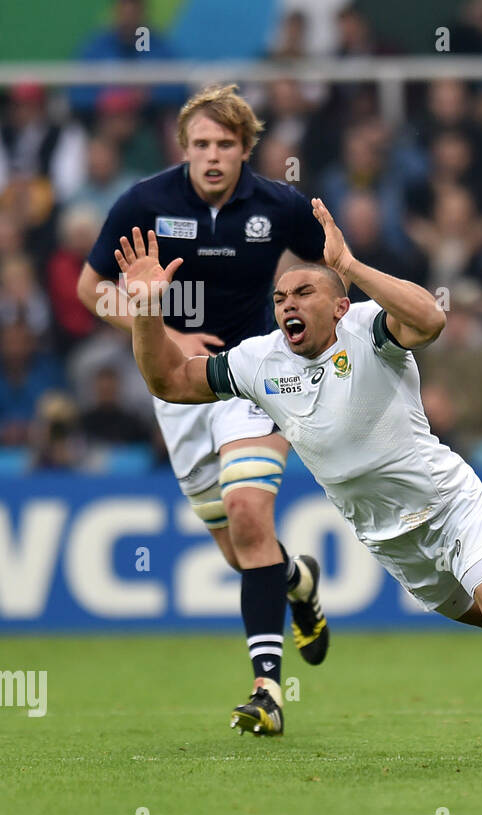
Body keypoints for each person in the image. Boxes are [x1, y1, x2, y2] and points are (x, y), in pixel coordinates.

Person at [113, 204, 482, 738]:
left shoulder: (368, 329)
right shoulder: (259, 361)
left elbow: (431, 317)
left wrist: (349, 265)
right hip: (391, 539)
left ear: (338, 304)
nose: (289, 305)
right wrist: (145, 312)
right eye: (280, 297)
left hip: (449, 506)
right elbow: (170, 381)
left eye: (305, 292)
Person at [76, 84, 332, 733]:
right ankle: (298, 580)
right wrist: (151, 324)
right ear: (182, 147)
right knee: (242, 552)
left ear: (247, 148)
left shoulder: (280, 204)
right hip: (178, 389)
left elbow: (335, 267)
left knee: (250, 511)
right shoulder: (146, 202)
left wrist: (319, 328)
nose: (212, 156)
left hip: (252, 376)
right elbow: (89, 286)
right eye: (200, 144)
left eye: (225, 144)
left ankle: (268, 691)